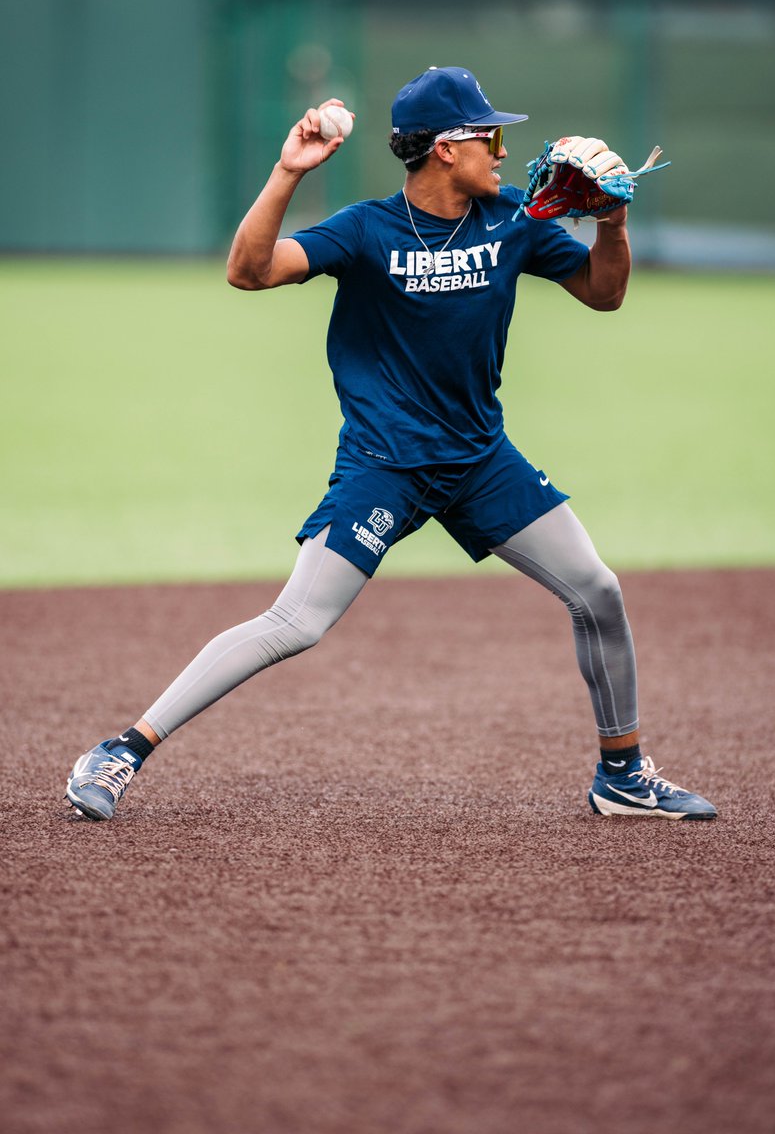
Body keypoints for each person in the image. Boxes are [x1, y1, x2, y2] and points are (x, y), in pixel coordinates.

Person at [65, 66, 716, 822]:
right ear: (445, 149)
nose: (503, 153)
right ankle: (120, 750)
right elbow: (248, 272)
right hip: (385, 465)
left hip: (479, 460)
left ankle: (623, 777)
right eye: (489, 137)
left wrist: (612, 222)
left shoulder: (512, 220)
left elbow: (604, 294)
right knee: (295, 623)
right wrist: (287, 172)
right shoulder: (366, 230)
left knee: (598, 591)